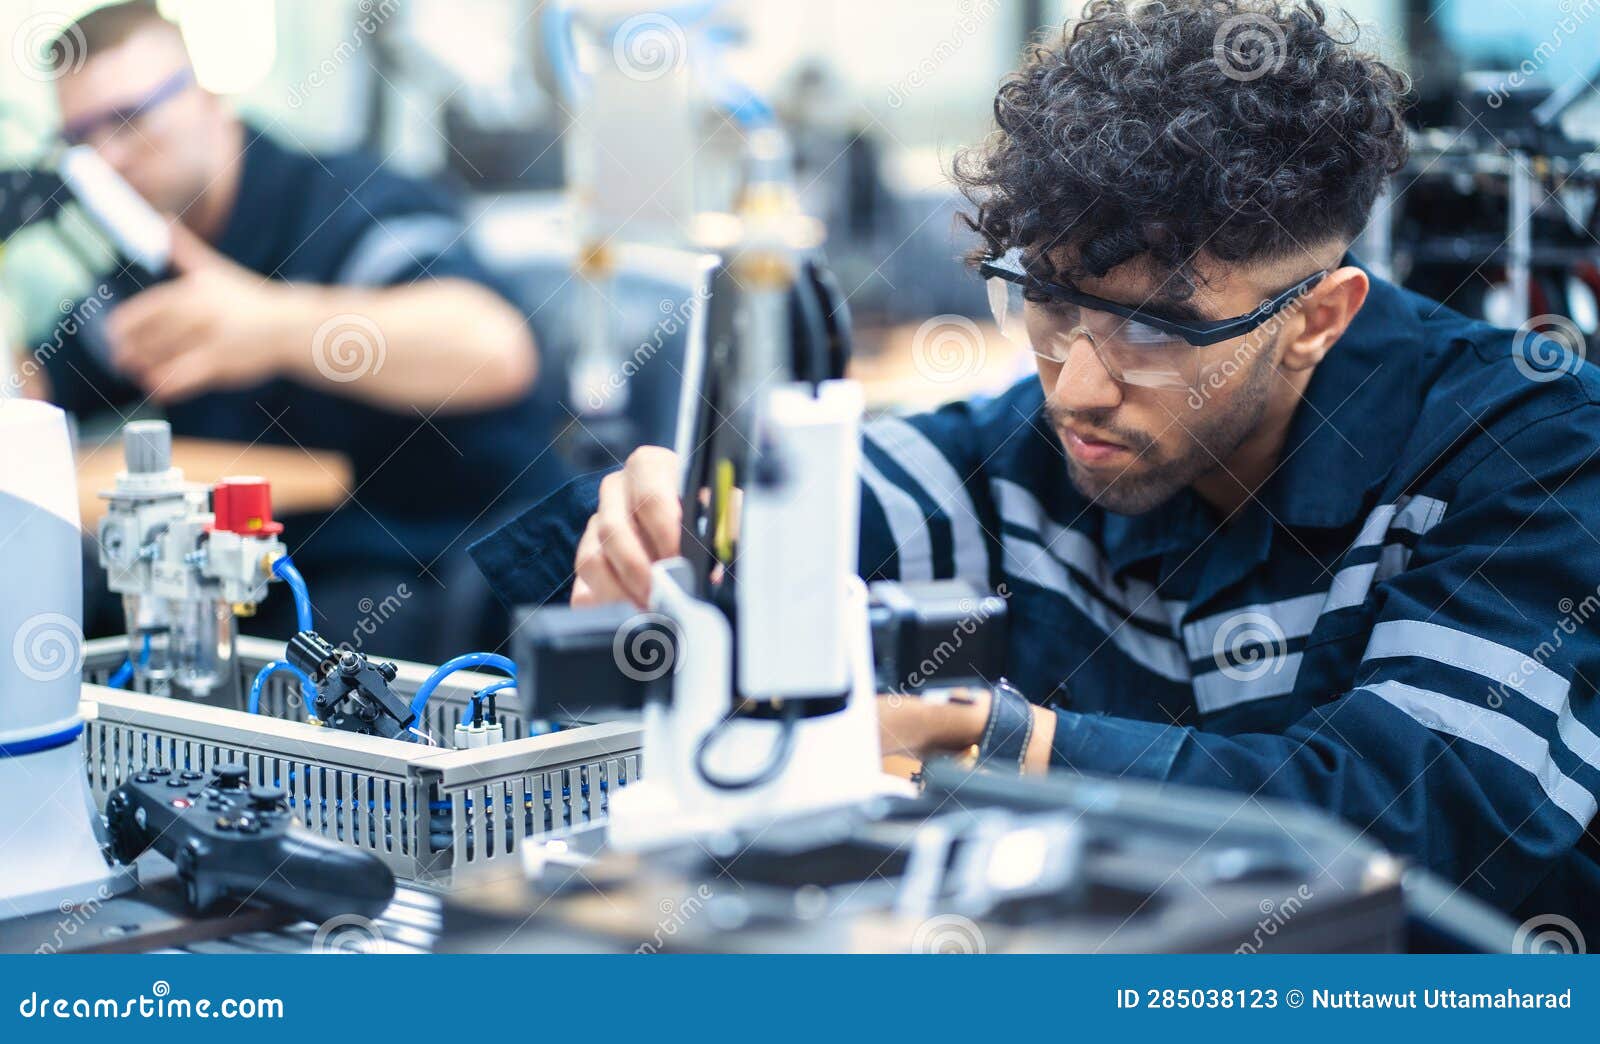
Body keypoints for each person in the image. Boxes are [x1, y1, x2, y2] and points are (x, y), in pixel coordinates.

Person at [471, 1, 1600, 935]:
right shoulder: (1028, 457)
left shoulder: (1530, 455)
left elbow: (1422, 824)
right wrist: (664, 525)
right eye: (1049, 301)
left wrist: (994, 741)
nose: (1077, 385)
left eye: (1159, 330)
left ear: (1315, 318)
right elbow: (814, 509)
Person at [20, 1, 564, 659]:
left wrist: (271, 324)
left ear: (207, 96)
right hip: (256, 572)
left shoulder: (344, 203)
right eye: (80, 140)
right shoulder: (149, 265)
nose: (108, 157)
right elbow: (38, 389)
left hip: (427, 567)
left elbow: (492, 346)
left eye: (130, 120)